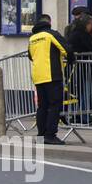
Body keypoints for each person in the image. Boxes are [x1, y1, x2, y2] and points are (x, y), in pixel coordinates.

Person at [29, 15, 71, 144]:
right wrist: (71, 60)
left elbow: (31, 56)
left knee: (42, 106)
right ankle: (50, 135)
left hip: (38, 76)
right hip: (52, 74)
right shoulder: (51, 35)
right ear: (49, 23)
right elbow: (66, 49)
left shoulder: (32, 38)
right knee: (54, 105)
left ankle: (41, 135)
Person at [65, 13, 92, 123]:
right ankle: (81, 115)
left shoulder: (75, 32)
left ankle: (78, 115)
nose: (91, 26)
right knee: (81, 91)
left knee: (79, 91)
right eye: (90, 24)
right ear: (86, 24)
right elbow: (90, 46)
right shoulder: (81, 34)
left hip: (78, 65)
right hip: (80, 66)